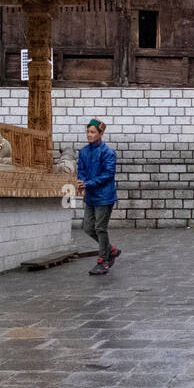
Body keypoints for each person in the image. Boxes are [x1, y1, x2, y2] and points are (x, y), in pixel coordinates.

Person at [76, 118, 120, 276]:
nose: (89, 135)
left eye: (92, 132)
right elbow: (81, 170)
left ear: (101, 133)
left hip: (104, 196)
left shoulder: (108, 152)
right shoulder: (83, 152)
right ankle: (111, 250)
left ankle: (103, 260)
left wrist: (87, 183)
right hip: (91, 196)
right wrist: (81, 182)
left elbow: (108, 175)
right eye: (88, 131)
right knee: (88, 228)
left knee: (100, 228)